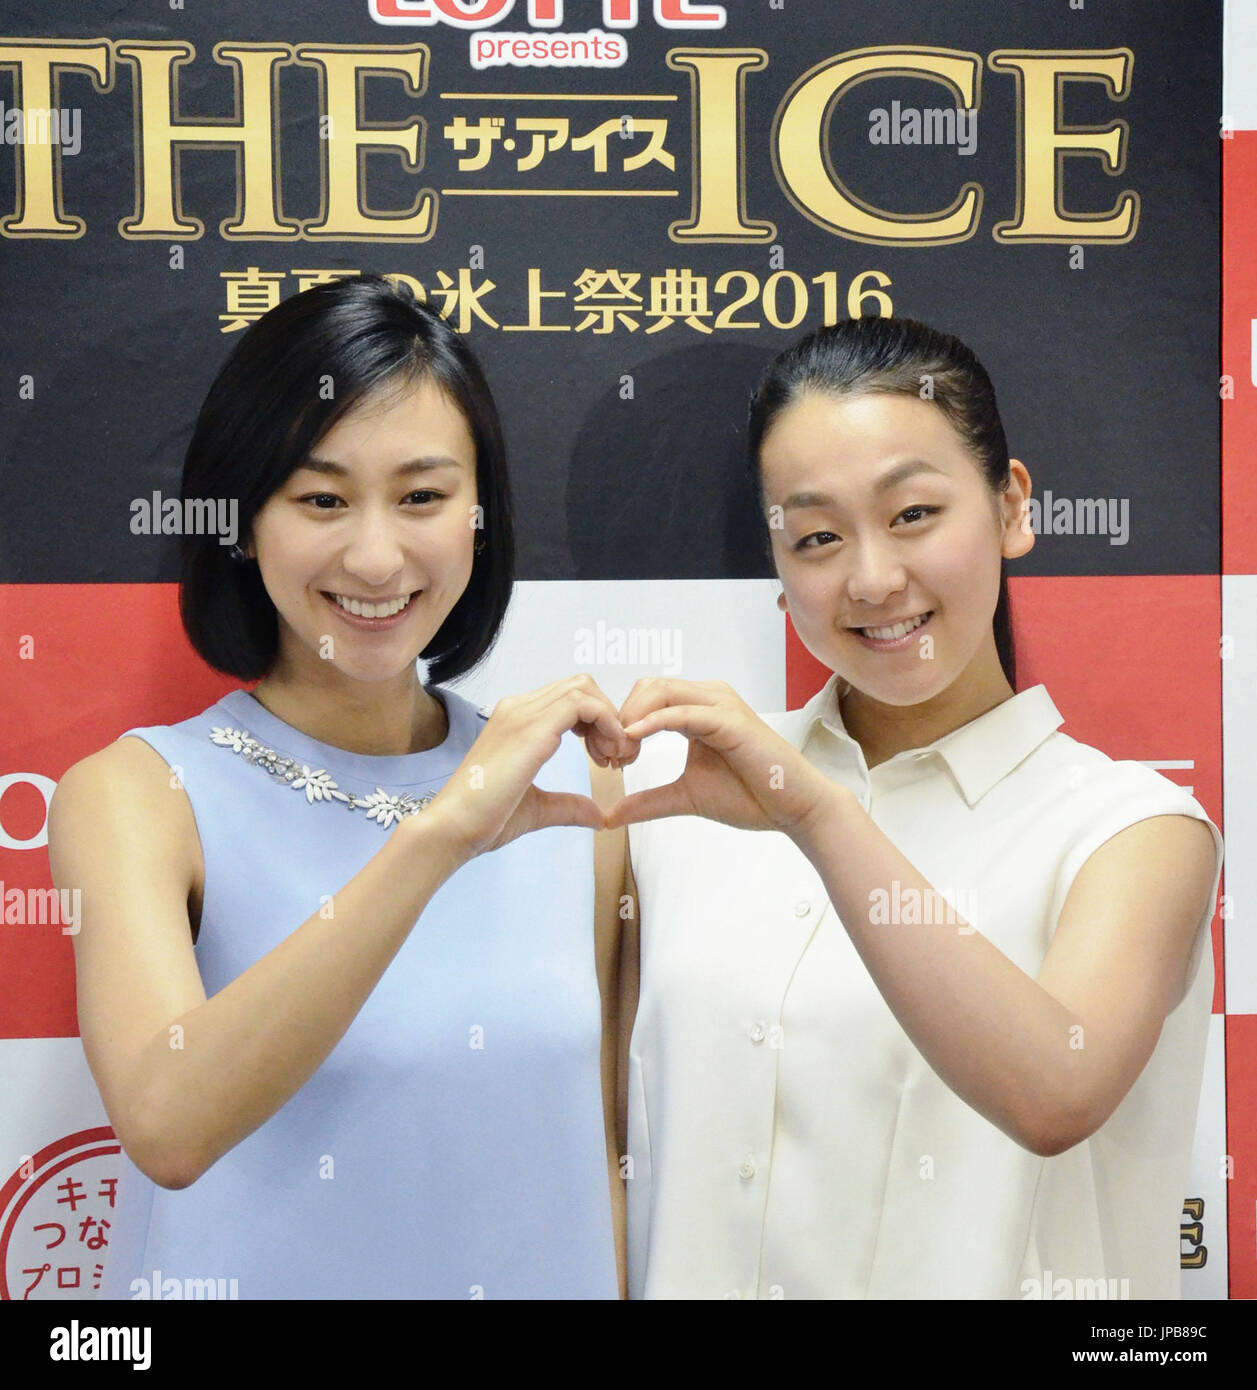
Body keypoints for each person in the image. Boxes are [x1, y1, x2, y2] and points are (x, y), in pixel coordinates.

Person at [608, 316, 1224, 1300]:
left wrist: (815, 813)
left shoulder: (1132, 829)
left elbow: (1054, 1090)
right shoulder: (671, 805)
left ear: (1012, 505)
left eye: (913, 515)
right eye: (816, 536)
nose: (872, 579)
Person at [48, 274, 634, 1300]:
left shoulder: (571, 791)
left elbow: (604, 1159)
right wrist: (439, 831)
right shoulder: (139, 796)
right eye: (322, 499)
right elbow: (170, 1122)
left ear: (479, 516)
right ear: (243, 521)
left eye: (422, 496)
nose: (376, 554)